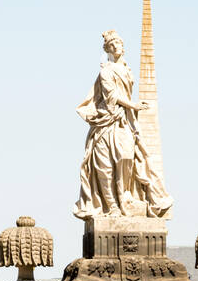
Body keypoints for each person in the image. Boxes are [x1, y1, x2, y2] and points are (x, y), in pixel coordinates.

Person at [72, 29, 173, 220]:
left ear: (122, 47)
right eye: (111, 45)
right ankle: (112, 206)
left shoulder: (127, 69)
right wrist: (133, 104)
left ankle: (125, 197)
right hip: (106, 121)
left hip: (125, 120)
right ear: (107, 49)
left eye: (118, 43)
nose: (115, 46)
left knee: (127, 157)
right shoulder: (106, 71)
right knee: (105, 167)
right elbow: (112, 96)